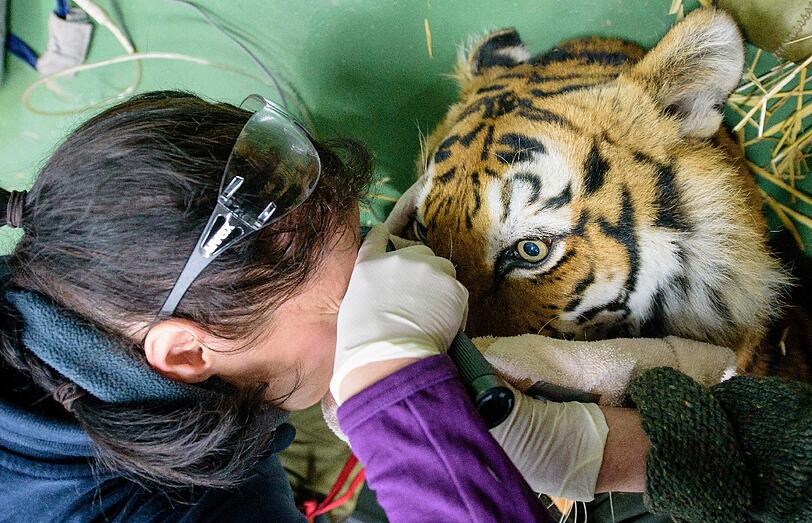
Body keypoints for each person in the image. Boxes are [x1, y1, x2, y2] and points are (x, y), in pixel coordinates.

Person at [0, 91, 809, 523]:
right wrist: (397, 402)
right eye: (352, 305)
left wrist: (575, 446)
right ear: (184, 351)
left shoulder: (72, 282)